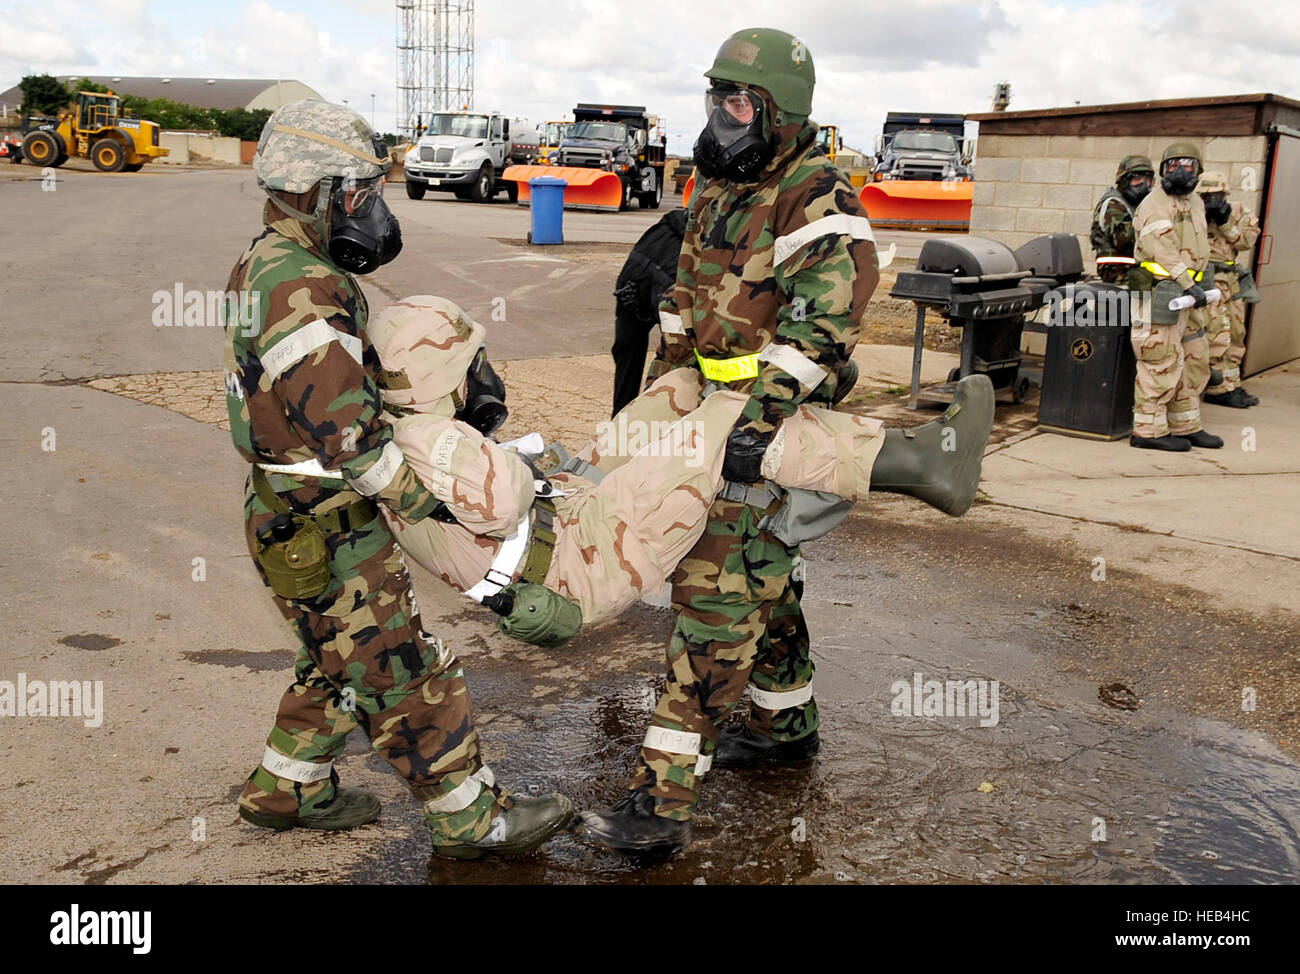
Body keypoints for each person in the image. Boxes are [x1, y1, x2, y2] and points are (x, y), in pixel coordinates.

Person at [567, 28, 898, 857]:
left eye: (740, 101)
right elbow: (684, 291)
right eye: (716, 97)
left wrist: (759, 421)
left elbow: (826, 320)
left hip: (765, 414)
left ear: (781, 114)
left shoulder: (817, 193)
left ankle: (660, 802)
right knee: (765, 574)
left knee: (715, 599)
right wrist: (671, 385)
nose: (723, 116)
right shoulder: (713, 179)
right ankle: (786, 725)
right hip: (710, 401)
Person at [222, 99, 572, 859]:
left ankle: (285, 787)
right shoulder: (302, 288)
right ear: (312, 193)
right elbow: (353, 435)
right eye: (357, 194)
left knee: (338, 656)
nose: (369, 211)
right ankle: (473, 820)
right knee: (403, 670)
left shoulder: (275, 260)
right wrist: (435, 506)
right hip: (327, 520)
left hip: (289, 510)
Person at [368, 296, 994, 646]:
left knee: (683, 387)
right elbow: (501, 501)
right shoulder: (427, 433)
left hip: (572, 517)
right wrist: (507, 460)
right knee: (729, 415)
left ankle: (809, 431)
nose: (484, 374)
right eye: (472, 362)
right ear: (439, 374)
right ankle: (920, 462)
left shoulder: (403, 429)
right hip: (589, 558)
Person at [1127, 142, 1221, 452]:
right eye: (1172, 165)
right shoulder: (1155, 203)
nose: (1179, 171)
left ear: (1199, 170)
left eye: (1188, 165)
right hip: (1160, 292)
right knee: (1159, 361)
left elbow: (1199, 247)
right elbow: (1161, 248)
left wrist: (1202, 287)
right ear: (1163, 169)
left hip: (1190, 296)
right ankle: (1148, 431)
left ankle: (1186, 424)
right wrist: (1185, 281)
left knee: (1194, 358)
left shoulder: (1195, 203)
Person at [611, 208, 688, 416]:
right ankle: (634, 424)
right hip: (651, 283)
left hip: (633, 280)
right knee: (677, 363)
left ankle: (622, 424)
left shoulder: (673, 225)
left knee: (629, 357)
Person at [1197, 170, 1262, 408]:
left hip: (1231, 279)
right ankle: (1217, 387)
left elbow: (1246, 241)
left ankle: (1232, 383)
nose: (1211, 201)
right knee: (1217, 334)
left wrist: (1226, 223)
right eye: (1206, 196)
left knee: (1236, 333)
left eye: (1216, 195)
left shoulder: (1237, 211)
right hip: (1208, 280)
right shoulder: (1191, 213)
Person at [1089, 155, 1154, 284]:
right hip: (1116, 270)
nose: (1143, 184)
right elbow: (1124, 240)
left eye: (1147, 179)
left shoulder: (1141, 204)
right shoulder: (1113, 204)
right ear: (1123, 180)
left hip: (1138, 267)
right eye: (1137, 179)